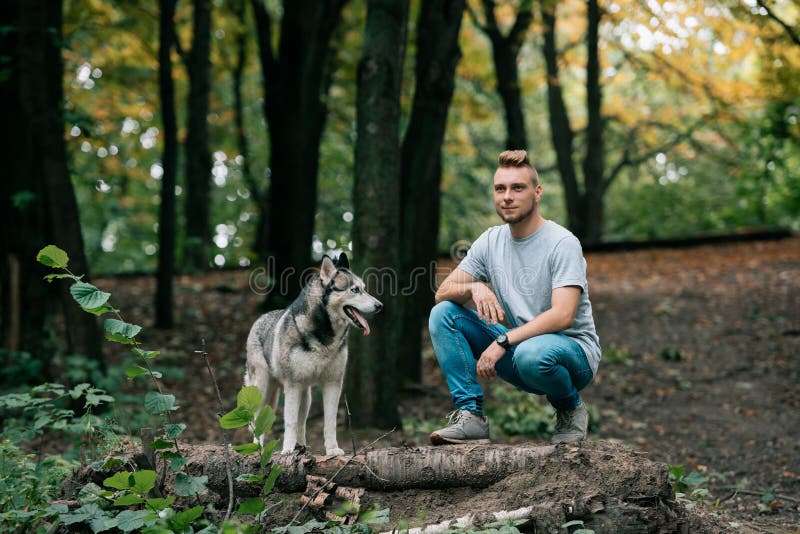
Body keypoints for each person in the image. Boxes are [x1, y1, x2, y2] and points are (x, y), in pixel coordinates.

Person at [428, 149, 601, 445]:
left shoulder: (562, 243)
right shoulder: (490, 241)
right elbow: (441, 294)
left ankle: (570, 408)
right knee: (444, 314)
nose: (507, 196)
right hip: (519, 350)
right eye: (500, 188)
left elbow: (563, 315)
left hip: (572, 354)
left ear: (537, 193)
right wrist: (473, 287)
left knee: (532, 354)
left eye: (517, 188)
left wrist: (502, 341)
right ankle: (470, 416)